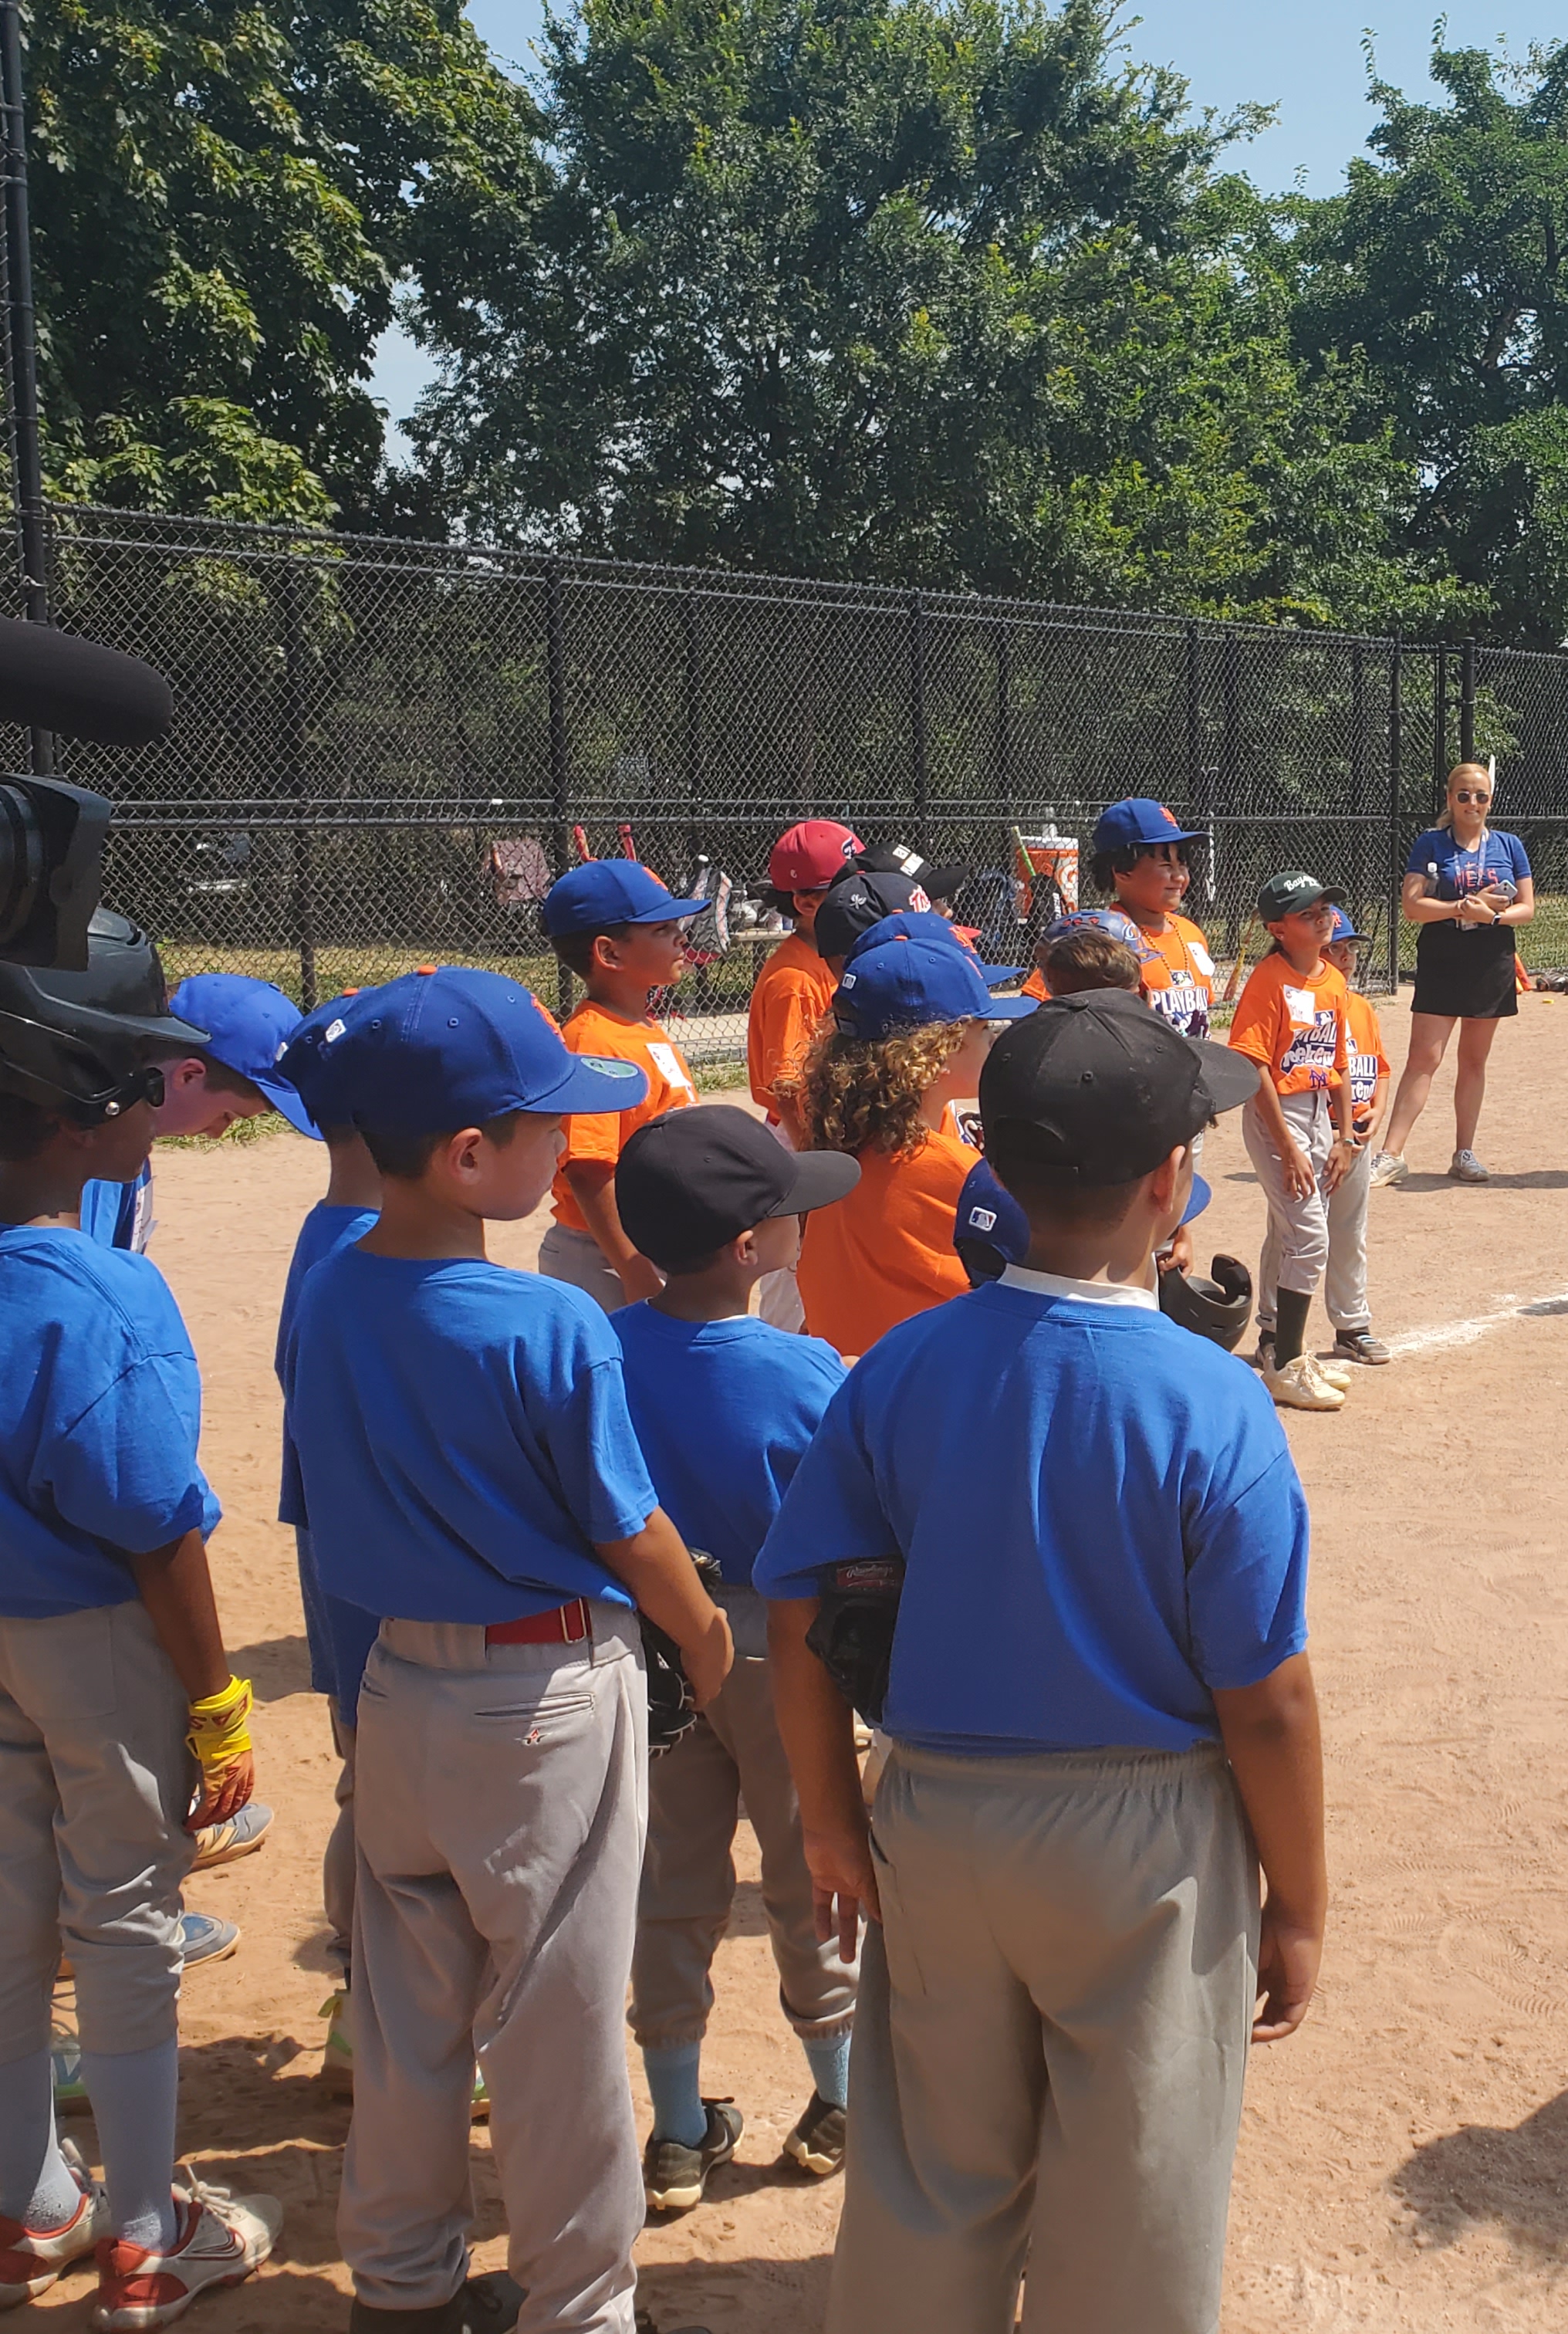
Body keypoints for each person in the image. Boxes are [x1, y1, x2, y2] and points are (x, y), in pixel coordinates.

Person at [759, 989, 1323, 2334]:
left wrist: (831, 1819)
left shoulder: (897, 1365)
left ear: (992, 1163)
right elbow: (1267, 1697)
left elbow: (797, 1615)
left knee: (930, 2169)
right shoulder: (1214, 1398)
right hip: (1146, 1832)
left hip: (938, 1806)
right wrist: (1298, 1901)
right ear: (1169, 1181)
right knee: (1133, 2187)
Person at [288, 965, 729, 2334]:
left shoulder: (331, 1290)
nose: (565, 1143)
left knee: (410, 2018)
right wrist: (708, 1639)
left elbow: (320, 1500)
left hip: (398, 1688)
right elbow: (632, 1525)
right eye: (546, 1127)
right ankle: (582, 2307)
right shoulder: (548, 1318)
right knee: (552, 2029)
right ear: (472, 1154)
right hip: (538, 1700)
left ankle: (404, 2288)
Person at [0, 919, 280, 2324]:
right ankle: (148, 2230)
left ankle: (23, 2202)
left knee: (4, 1914)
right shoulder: (98, 1287)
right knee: (123, 1918)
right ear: (61, 1112)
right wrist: (217, 1697)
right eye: (127, 1088)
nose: (151, 1114)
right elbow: (153, 1519)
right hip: (90, 1632)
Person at [609, 1108, 863, 2216]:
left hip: (643, 1648)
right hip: (776, 1652)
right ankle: (839, 2098)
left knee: (670, 1888)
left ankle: (673, 2130)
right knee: (810, 1872)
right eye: (787, 1211)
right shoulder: (802, 1369)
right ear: (751, 1248)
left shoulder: (598, 1347)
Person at [265, 998, 390, 2100]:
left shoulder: (327, 1230)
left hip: (346, 1572)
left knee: (373, 1787)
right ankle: (378, 2020)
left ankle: (361, 2006)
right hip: (397, 1597)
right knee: (401, 1801)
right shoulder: (373, 1263)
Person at [782, 931, 1037, 1360]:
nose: (993, 1038)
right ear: (931, 1053)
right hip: (926, 1398)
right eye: (981, 1027)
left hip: (854, 1387)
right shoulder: (955, 1174)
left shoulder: (836, 1145)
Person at [538, 857, 711, 1311]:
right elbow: (589, 1170)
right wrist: (635, 1272)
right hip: (607, 1256)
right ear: (609, 953)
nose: (681, 936)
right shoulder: (594, 1039)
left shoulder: (639, 1025)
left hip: (649, 1247)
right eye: (660, 929)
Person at [73, 962, 319, 1256]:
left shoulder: (122, 1146)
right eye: (227, 1116)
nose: (217, 1133)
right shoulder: (97, 1159)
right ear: (188, 1075)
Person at [1228, 873, 1358, 1410]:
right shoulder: (1269, 980)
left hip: (1318, 1114)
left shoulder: (1331, 979)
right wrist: (1285, 1147)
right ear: (1277, 929)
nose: (1324, 916)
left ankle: (1279, 1343)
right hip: (1276, 1114)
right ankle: (1286, 1365)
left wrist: (1346, 1135)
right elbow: (1252, 1064)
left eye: (1325, 907)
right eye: (1308, 913)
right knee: (1310, 1239)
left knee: (1291, 1233)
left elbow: (1341, 1064)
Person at [1373, 761, 1530, 1186]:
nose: (1472, 803)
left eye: (1480, 796)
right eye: (1463, 795)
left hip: (1490, 959)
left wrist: (1492, 917)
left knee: (1473, 1061)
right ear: (1449, 799)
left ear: (1490, 800)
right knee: (1425, 1058)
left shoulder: (1509, 845)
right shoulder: (1430, 844)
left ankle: (1464, 1153)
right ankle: (1390, 1155)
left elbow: (1527, 909)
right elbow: (1411, 906)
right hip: (1442, 955)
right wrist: (1461, 907)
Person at [745, 818, 867, 1331]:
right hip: (799, 1143)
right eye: (847, 883)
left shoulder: (824, 961)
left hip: (816, 1138)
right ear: (807, 903)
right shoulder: (795, 977)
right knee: (795, 1283)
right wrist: (816, 1170)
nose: (861, 892)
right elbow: (789, 1088)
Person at [1256, 908, 1389, 1369]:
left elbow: (1377, 1068)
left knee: (1349, 1231)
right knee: (1293, 1231)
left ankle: (1351, 1326)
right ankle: (1274, 1330)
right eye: (1338, 948)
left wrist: (1372, 1114)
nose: (1347, 956)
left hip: (1350, 1137)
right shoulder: (1297, 991)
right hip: (1312, 1127)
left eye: (1351, 948)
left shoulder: (1359, 1007)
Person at [1089, 799, 1218, 1037]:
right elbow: (1044, 1002)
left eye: (1182, 863)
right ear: (1122, 870)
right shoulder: (1101, 938)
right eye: (1166, 864)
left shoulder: (1191, 933)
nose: (1179, 876)